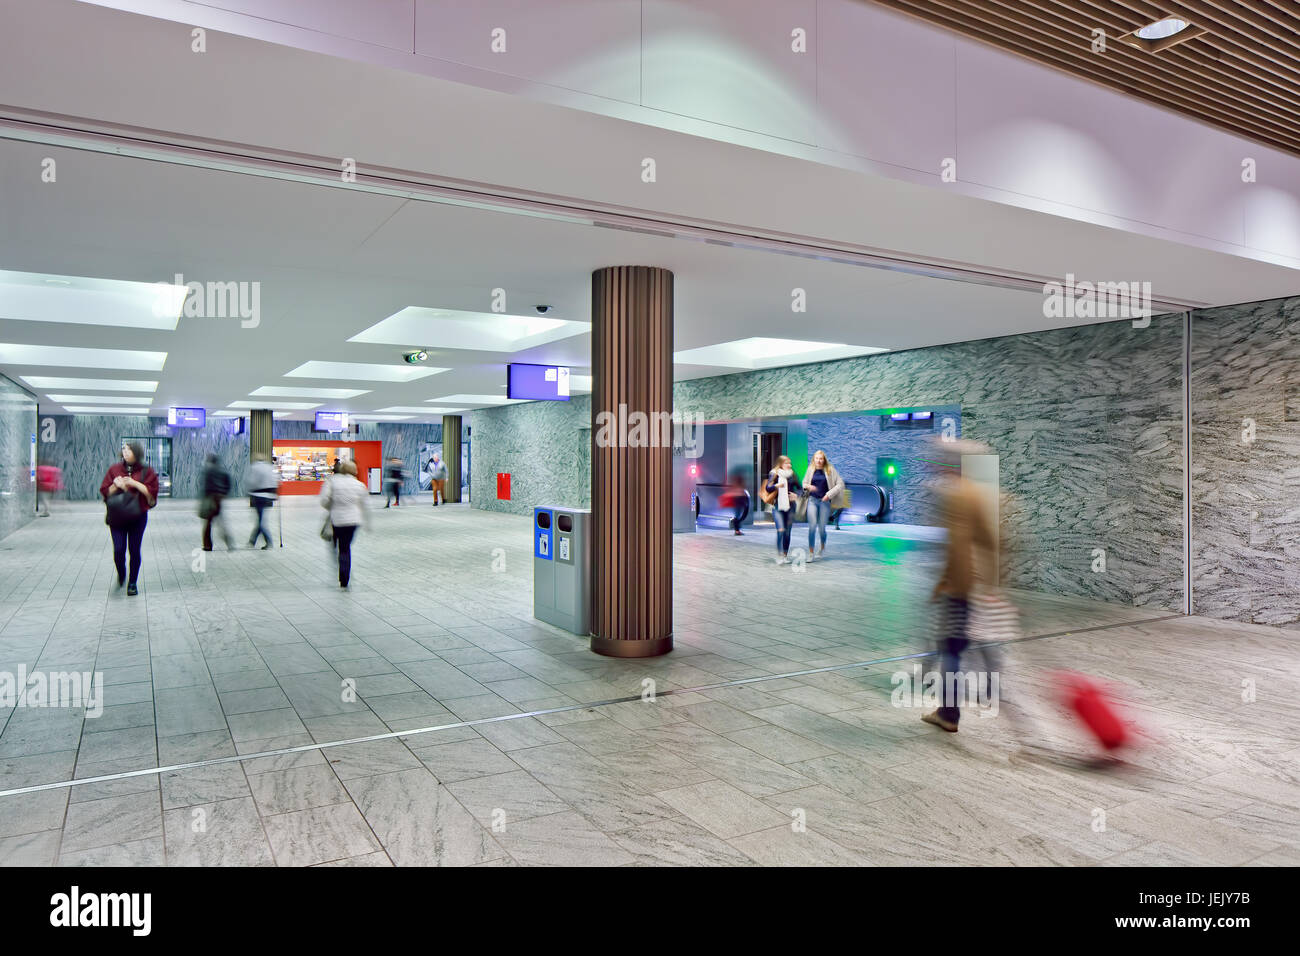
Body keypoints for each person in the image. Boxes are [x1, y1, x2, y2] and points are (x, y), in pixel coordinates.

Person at [922, 439, 997, 733]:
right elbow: (990, 539)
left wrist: (946, 583)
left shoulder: (955, 495)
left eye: (938, 460)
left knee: (951, 647)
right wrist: (991, 582)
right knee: (962, 644)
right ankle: (956, 705)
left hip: (960, 586)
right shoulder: (976, 493)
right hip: (974, 584)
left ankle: (949, 713)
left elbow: (958, 546)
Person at [99, 442, 158, 596]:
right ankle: (121, 573)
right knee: (118, 549)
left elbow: (151, 496)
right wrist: (115, 485)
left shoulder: (147, 471)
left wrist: (134, 483)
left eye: (129, 449)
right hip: (117, 516)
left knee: (134, 549)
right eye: (124, 449)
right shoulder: (114, 469)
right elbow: (105, 492)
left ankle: (132, 582)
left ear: (136, 452)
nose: (125, 452)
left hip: (137, 516)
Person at [321, 459, 369, 588]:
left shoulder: (332, 482)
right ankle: (344, 575)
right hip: (354, 521)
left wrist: (331, 506)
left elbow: (324, 500)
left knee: (339, 547)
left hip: (337, 520)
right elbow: (364, 504)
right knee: (345, 547)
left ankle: (342, 571)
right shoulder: (359, 485)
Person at [801, 449, 844, 560]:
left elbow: (840, 484)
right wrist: (808, 486)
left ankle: (822, 547)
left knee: (821, 528)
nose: (819, 461)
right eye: (817, 458)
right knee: (812, 526)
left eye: (821, 459)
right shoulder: (810, 469)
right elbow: (804, 483)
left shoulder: (830, 470)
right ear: (814, 459)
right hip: (812, 500)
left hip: (824, 502)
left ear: (824, 459)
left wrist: (829, 495)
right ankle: (810, 553)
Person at [763, 455, 802, 563]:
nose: (789, 465)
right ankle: (780, 555)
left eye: (790, 463)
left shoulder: (792, 474)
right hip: (777, 506)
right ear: (780, 464)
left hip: (791, 507)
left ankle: (785, 555)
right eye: (786, 463)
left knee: (787, 532)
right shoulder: (774, 473)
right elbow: (768, 488)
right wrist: (776, 486)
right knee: (781, 529)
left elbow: (800, 488)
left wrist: (796, 495)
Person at [200, 453, 235, 551]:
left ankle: (207, 545)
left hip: (211, 499)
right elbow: (229, 482)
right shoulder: (222, 470)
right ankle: (229, 543)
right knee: (221, 522)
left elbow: (206, 486)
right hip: (219, 498)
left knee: (208, 523)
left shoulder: (208, 471)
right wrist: (224, 493)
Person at [247, 453, 278, 549]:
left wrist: (248, 492)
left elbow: (251, 482)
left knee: (260, 521)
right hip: (268, 496)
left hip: (257, 496)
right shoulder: (269, 467)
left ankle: (268, 542)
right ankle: (252, 541)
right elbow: (275, 481)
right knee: (261, 519)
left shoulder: (254, 467)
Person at [722, 470, 748, 535]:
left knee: (739, 514)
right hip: (739, 499)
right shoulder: (737, 484)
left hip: (739, 499)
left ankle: (737, 527)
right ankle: (737, 529)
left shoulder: (737, 484)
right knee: (739, 514)